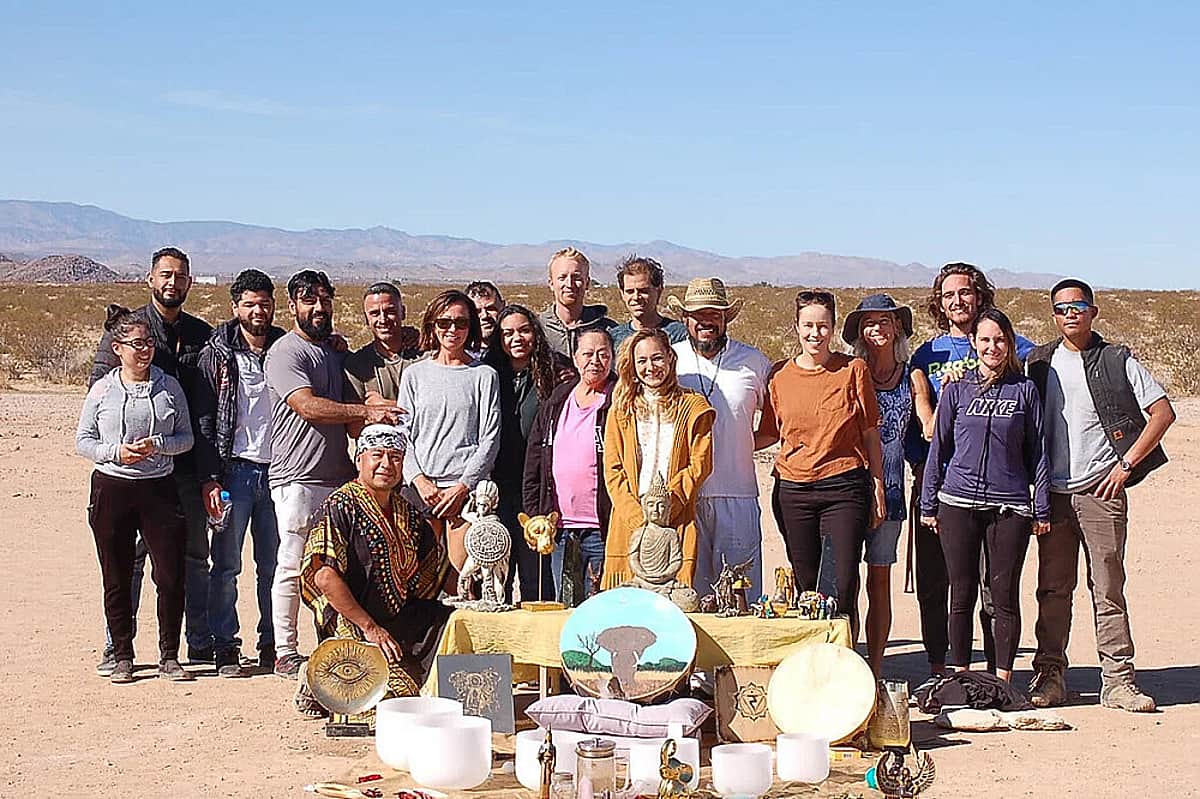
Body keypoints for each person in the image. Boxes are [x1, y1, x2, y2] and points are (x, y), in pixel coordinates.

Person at [1025, 279, 1175, 712]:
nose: (1070, 313)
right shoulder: (1039, 362)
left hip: (1101, 490)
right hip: (1052, 493)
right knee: (1053, 589)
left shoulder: (1116, 359)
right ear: (1053, 315)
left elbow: (1162, 412)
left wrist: (1126, 465)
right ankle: (1050, 675)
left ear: (1093, 311)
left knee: (1107, 586)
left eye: (1077, 305)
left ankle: (1119, 681)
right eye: (1061, 308)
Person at [265, 270, 403, 678]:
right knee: (292, 565)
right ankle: (285, 650)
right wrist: (367, 410)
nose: (318, 308)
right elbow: (307, 406)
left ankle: (332, 641)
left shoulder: (332, 351)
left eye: (324, 300)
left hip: (338, 477)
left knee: (336, 568)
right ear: (292, 307)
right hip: (298, 478)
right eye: (309, 301)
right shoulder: (286, 353)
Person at [88, 246, 214, 674]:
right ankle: (117, 646)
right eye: (165, 275)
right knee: (126, 563)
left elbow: (207, 405)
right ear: (150, 279)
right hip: (125, 472)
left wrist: (206, 468)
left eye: (180, 276)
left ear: (189, 282)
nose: (172, 283)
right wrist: (119, 448)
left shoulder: (202, 336)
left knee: (189, 559)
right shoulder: (128, 330)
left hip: (182, 465)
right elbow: (102, 390)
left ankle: (192, 645)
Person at [907, 262, 1034, 677]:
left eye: (964, 293)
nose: (957, 301)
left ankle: (996, 672)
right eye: (948, 296)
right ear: (938, 303)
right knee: (938, 583)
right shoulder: (928, 354)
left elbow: (1031, 395)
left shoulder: (1012, 346)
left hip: (999, 484)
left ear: (979, 296)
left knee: (992, 586)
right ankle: (941, 669)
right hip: (940, 479)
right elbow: (920, 406)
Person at [76, 305, 196, 684]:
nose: (144, 351)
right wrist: (116, 452)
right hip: (112, 488)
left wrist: (160, 444)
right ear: (118, 348)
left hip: (159, 488)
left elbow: (187, 438)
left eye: (148, 344)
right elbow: (83, 441)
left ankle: (169, 655)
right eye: (136, 344)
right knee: (117, 573)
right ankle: (123, 654)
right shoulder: (103, 390)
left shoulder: (169, 388)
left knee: (171, 574)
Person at [755, 290, 886, 637]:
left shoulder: (852, 370)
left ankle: (845, 664)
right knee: (807, 585)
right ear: (796, 327)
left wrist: (878, 486)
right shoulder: (779, 376)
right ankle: (813, 665)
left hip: (843, 486)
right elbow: (769, 433)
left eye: (823, 326)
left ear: (833, 327)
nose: (815, 333)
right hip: (793, 491)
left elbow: (871, 432)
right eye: (808, 325)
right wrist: (722, 441)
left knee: (842, 583)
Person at [299, 425, 452, 706]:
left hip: (400, 617)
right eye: (377, 455)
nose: (386, 464)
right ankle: (315, 678)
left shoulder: (408, 511)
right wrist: (370, 627)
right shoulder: (339, 506)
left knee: (454, 635)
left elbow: (436, 571)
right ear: (360, 459)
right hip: (354, 620)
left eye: (395, 457)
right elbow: (324, 578)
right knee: (387, 698)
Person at [194, 269, 287, 677]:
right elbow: (204, 419)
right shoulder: (217, 354)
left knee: (275, 565)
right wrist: (209, 476)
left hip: (280, 471)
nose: (257, 311)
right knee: (227, 564)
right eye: (249, 304)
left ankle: (273, 644)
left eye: (264, 303)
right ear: (235, 308)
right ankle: (225, 646)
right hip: (234, 473)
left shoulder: (286, 350)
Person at [668, 277, 771, 600]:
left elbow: (777, 423)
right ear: (685, 318)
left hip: (737, 496)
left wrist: (739, 444)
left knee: (739, 594)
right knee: (688, 597)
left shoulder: (753, 362)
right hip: (684, 496)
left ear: (726, 317)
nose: (706, 321)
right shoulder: (670, 360)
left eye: (714, 313)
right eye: (697, 314)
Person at [842, 293, 925, 676]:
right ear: (860, 330)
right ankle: (845, 667)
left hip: (890, 491)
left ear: (898, 329)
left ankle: (874, 669)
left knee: (879, 581)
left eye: (885, 321)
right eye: (869, 322)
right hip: (844, 490)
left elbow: (925, 421)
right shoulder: (847, 372)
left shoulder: (912, 376)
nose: (877, 328)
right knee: (844, 585)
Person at [397, 290, 501, 582]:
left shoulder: (483, 375)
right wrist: (417, 479)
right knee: (418, 579)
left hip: (464, 495)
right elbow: (403, 433)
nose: (452, 330)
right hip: (421, 490)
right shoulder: (414, 375)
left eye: (461, 322)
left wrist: (463, 487)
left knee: (461, 581)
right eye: (444, 322)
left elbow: (489, 438)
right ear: (432, 325)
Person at [603, 328, 715, 589]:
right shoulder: (621, 409)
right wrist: (637, 517)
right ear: (632, 365)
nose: (650, 367)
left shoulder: (693, 406)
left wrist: (667, 507)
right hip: (628, 518)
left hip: (676, 515)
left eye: (657, 358)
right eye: (642, 360)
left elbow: (700, 464)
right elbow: (613, 469)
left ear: (670, 359)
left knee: (675, 598)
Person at [482, 304, 568, 602]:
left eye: (524, 330)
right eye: (507, 333)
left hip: (537, 488)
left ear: (536, 333)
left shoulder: (555, 373)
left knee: (537, 573)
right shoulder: (488, 374)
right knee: (497, 570)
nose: (516, 338)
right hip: (497, 488)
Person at [523, 328, 616, 603]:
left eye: (603, 354)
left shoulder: (618, 399)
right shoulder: (558, 399)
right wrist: (534, 516)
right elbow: (535, 462)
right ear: (575, 358)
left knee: (600, 607)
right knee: (566, 607)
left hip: (603, 530)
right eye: (588, 354)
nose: (595, 361)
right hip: (560, 530)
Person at [343, 281, 422, 410]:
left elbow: (438, 409)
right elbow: (355, 422)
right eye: (375, 313)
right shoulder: (356, 365)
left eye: (390, 311)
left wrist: (384, 405)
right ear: (366, 318)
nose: (383, 319)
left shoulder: (426, 355)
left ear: (403, 312)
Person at [538, 247, 616, 358]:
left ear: (587, 283)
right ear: (551, 283)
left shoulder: (609, 330)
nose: (569, 284)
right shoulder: (538, 329)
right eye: (562, 277)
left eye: (577, 277)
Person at [610, 255, 687, 352]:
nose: (636, 297)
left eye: (643, 291)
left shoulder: (679, 335)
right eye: (630, 291)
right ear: (622, 294)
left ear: (659, 291)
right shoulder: (614, 339)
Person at [466, 280, 505, 354]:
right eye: (477, 311)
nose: (485, 316)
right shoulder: (459, 355)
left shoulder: (516, 350)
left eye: (491, 309)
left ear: (502, 306)